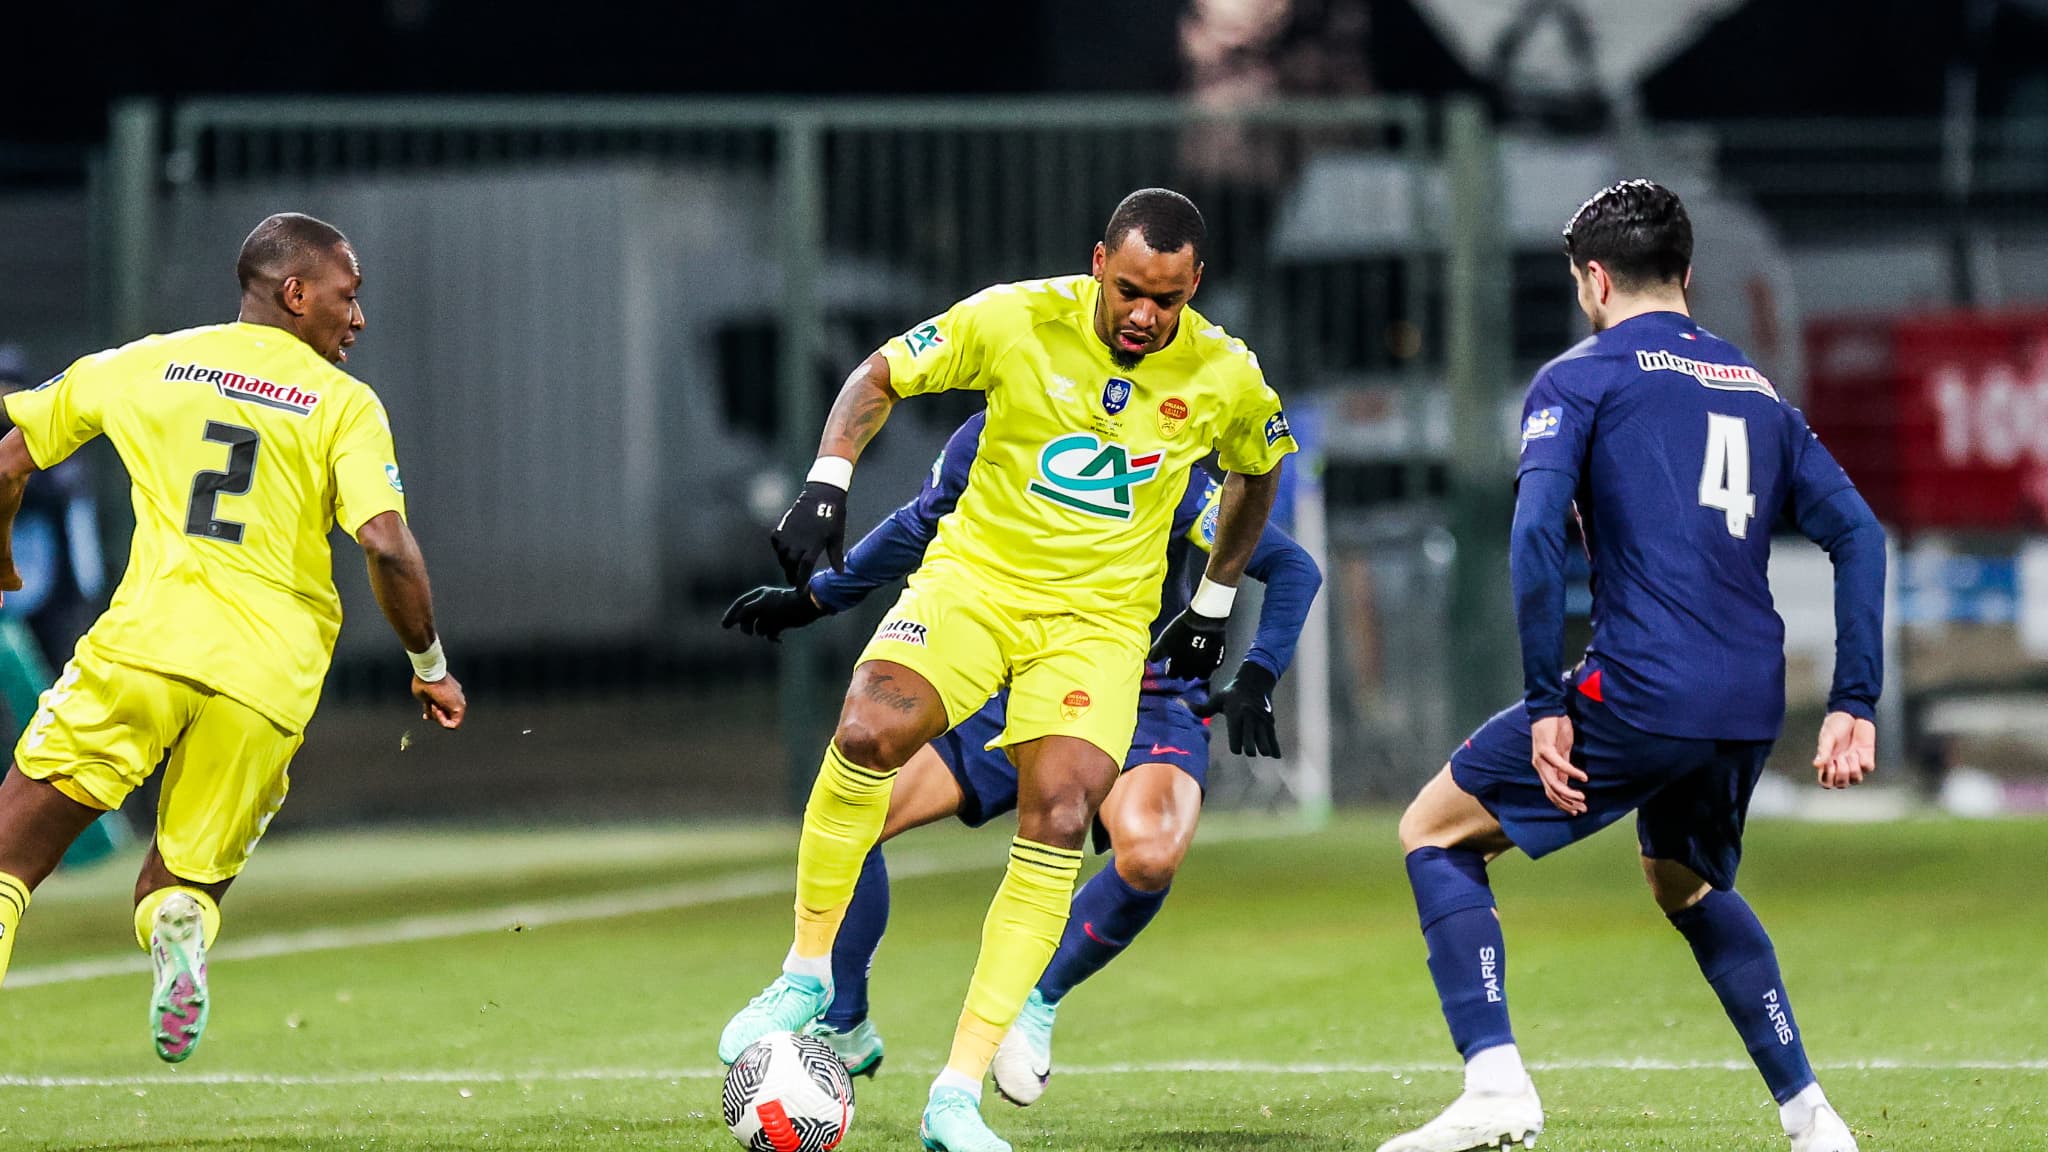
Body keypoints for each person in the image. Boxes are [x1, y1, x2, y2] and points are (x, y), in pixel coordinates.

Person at [719, 188, 1296, 1152]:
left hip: (1096, 629)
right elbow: (876, 376)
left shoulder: (1227, 375)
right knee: (865, 734)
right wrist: (827, 486)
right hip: (973, 589)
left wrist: (1216, 604)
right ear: (1098, 263)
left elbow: (1259, 472)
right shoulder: (1015, 316)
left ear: (1194, 284)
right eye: (1129, 292)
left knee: (1063, 818)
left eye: (1167, 298)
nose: (1145, 316)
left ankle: (956, 1095)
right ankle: (809, 974)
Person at [1376, 181, 1884, 1152]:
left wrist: (1543, 702)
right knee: (1683, 883)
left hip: (1644, 685)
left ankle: (1492, 1084)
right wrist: (1850, 698)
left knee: (1432, 831)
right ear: (1687, 276)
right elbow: (1857, 535)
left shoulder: (1579, 376)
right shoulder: (1757, 391)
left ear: (1593, 280)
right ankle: (1810, 1118)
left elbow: (1532, 537)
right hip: (1748, 697)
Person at [723, 407, 1322, 1101]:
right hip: (1014, 684)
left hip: (1145, 689)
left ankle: (1034, 998)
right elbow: (920, 522)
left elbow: (1290, 567)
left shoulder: (1159, 464)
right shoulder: (995, 430)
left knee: (1151, 853)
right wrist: (818, 598)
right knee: (858, 805)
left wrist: (1259, 672)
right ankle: (845, 1021)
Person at [0, 213, 466, 1064]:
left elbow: (7, 460)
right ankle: (176, 927)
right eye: (347, 297)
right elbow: (386, 543)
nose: (357, 318)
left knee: (8, 859)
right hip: (266, 678)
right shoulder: (344, 405)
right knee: (183, 880)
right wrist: (429, 664)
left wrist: (1, 555)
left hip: (140, 650)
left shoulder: (146, 362)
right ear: (295, 293)